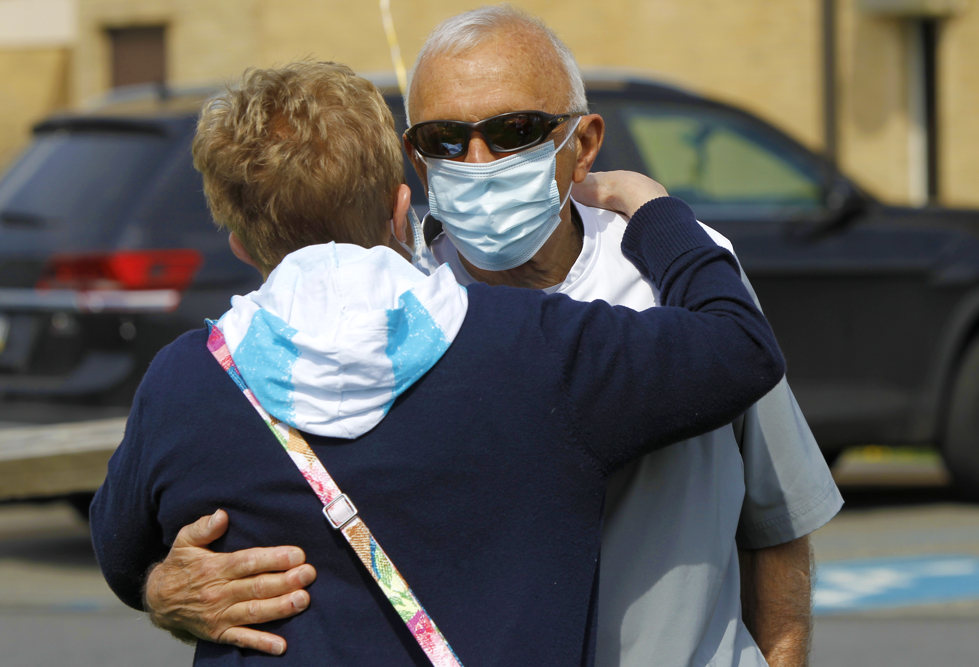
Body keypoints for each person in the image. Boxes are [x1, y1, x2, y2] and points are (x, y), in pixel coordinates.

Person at [138, 7, 843, 667]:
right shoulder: (380, 327)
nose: (478, 163)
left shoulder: (689, 277)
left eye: (514, 131)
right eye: (444, 140)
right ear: (416, 166)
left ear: (583, 143)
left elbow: (777, 525)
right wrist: (168, 586)